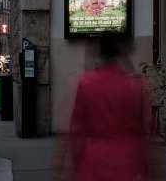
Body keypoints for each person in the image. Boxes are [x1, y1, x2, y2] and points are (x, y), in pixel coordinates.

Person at [62, 34, 159, 181]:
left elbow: (76, 130)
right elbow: (146, 131)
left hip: (94, 160)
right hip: (128, 161)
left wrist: (71, 166)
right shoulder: (136, 85)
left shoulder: (85, 83)